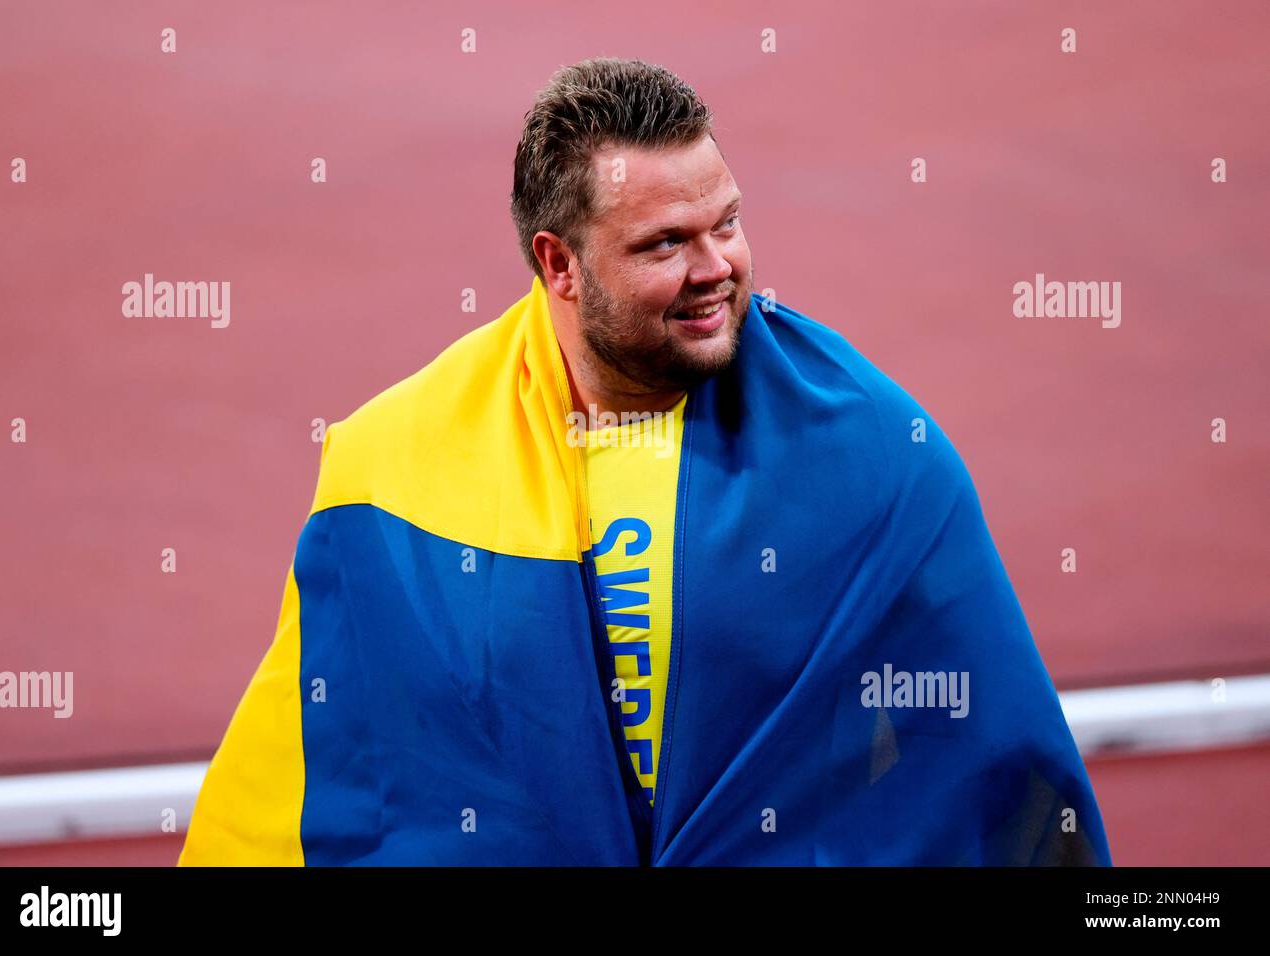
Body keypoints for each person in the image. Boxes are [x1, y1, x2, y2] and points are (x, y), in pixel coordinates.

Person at [179, 57, 1111, 866]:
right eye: (667, 243)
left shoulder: (869, 450)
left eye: (727, 223)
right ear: (560, 265)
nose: (719, 268)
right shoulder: (390, 465)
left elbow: (996, 752)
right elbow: (309, 766)